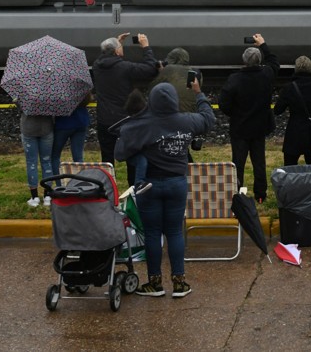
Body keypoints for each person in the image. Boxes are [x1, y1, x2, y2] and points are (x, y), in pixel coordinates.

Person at [116, 81, 216, 299]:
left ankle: (155, 283)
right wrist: (199, 92)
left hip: (149, 186)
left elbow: (120, 153)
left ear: (151, 101)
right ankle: (179, 283)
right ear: (174, 100)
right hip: (177, 183)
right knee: (174, 232)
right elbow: (209, 118)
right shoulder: (188, 121)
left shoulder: (142, 124)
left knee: (152, 233)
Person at [219, 34, 280, 203]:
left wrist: (235, 114)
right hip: (260, 127)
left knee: (238, 163)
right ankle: (260, 194)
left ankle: (238, 192)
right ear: (259, 60)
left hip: (240, 127)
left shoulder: (235, 79)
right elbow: (274, 62)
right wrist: (263, 44)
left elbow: (223, 103)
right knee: (259, 162)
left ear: (244, 61)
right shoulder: (266, 74)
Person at [92, 33, 159, 174]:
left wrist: (117, 42)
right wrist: (146, 47)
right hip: (124, 119)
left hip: (104, 118)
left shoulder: (97, 66)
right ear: (117, 51)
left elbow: (106, 56)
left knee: (107, 157)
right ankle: (132, 185)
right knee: (131, 154)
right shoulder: (125, 67)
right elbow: (150, 69)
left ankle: (107, 183)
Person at [274, 55, 311, 166]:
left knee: (290, 164)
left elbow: (277, 110)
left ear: (296, 69)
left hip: (294, 131)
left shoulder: (289, 88)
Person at [20, 109, 54, 208]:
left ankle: (34, 197)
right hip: (46, 128)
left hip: (28, 128)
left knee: (31, 163)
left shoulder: (25, 98)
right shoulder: (49, 98)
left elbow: (20, 107)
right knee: (47, 162)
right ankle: (47, 196)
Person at [51, 97, 90, 172]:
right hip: (81, 121)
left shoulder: (57, 92)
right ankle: (80, 177)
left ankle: (57, 178)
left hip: (63, 123)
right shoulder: (81, 90)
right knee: (78, 157)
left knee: (55, 155)